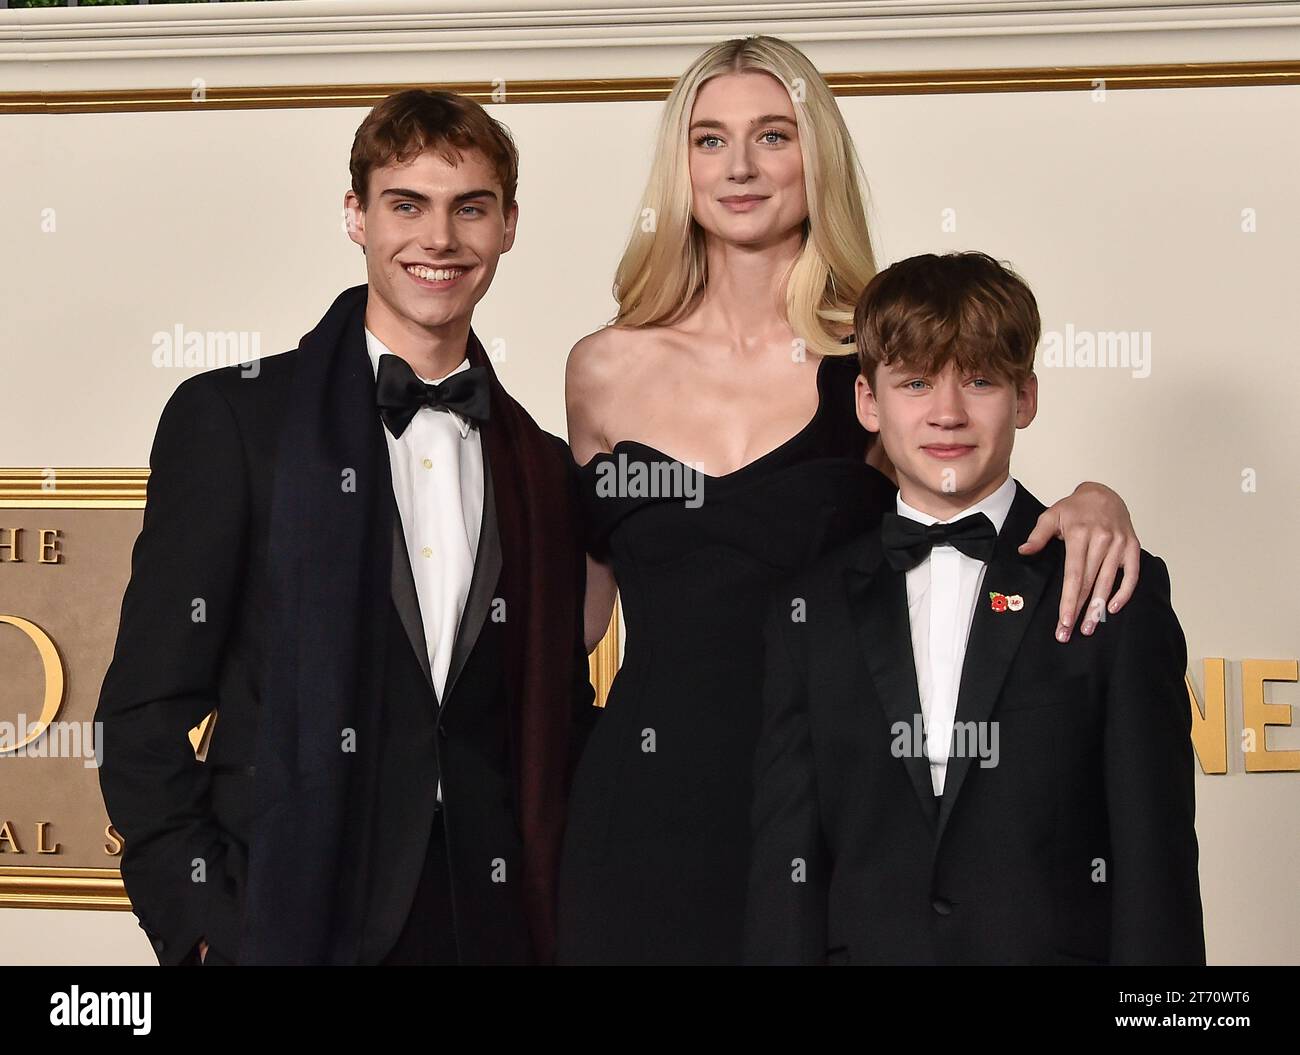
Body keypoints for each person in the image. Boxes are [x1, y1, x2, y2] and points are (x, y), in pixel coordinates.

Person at [558, 36, 1146, 964]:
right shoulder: (599, 367)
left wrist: (1091, 500)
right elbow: (571, 623)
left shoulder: (879, 344)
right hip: (638, 814)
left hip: (839, 819)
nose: (741, 167)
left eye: (773, 136)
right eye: (710, 141)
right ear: (680, 168)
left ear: (816, 156)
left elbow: (969, 488)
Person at [95, 89, 595, 966]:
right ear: (356, 216)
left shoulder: (540, 464)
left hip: (496, 926)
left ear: (508, 226)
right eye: (407, 204)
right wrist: (205, 920)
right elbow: (143, 709)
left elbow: (553, 710)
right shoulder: (234, 420)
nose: (438, 239)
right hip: (290, 913)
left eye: (469, 207)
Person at [745, 251, 1205, 965]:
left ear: (1025, 397)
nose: (948, 413)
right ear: (869, 401)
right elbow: (786, 873)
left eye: (981, 379)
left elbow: (1156, 871)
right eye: (917, 381)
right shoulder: (808, 610)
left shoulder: (1112, 586)